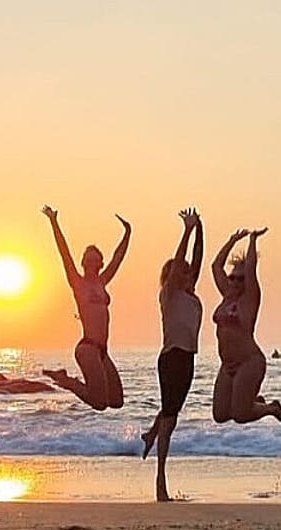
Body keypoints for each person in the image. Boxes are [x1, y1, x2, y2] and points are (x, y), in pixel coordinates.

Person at [140, 208, 204, 501]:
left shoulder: (191, 295)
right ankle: (160, 481)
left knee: (172, 414)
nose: (188, 274)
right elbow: (180, 262)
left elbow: (197, 259)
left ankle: (152, 434)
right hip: (171, 357)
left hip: (189, 357)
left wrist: (200, 227)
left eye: (190, 273)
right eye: (183, 272)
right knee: (169, 416)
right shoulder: (169, 294)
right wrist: (187, 231)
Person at [40, 205, 130, 410]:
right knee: (99, 403)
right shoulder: (77, 283)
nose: (91, 260)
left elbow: (118, 258)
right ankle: (68, 382)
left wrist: (127, 233)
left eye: (95, 257)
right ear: (83, 262)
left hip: (102, 351)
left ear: (99, 262)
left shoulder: (102, 281)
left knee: (116, 401)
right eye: (88, 257)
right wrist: (54, 222)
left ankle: (67, 380)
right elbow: (64, 252)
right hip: (88, 347)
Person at [210, 227, 281, 426]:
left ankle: (270, 408)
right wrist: (232, 240)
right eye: (232, 277)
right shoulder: (227, 294)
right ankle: (254, 403)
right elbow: (215, 266)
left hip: (249, 361)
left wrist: (252, 241)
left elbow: (252, 269)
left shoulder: (250, 299)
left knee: (240, 415)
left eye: (240, 278)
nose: (235, 281)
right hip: (227, 364)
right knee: (220, 415)